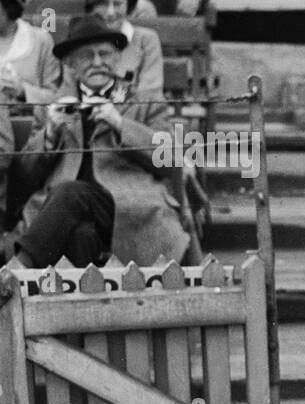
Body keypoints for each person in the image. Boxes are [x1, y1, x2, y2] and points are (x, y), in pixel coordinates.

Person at [2, 16, 185, 268]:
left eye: (105, 54)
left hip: (126, 207)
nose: (98, 62)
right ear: (71, 65)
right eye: (87, 56)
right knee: (80, 235)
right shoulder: (53, 107)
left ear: (117, 58)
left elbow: (170, 159)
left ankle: (12, 274)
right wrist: (50, 135)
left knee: (70, 191)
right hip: (63, 216)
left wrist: (121, 124)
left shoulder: (144, 99)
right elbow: (22, 179)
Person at [84, 0, 164, 101]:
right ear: (92, 8)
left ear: (128, 7)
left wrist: (117, 118)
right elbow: (68, 94)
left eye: (117, 4)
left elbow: (150, 94)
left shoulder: (146, 40)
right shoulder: (78, 41)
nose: (110, 12)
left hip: (132, 118)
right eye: (103, 4)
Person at [0, 0, 60, 106]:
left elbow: (55, 97)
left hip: (30, 123)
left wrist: (22, 91)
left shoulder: (41, 41)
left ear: (9, 6)